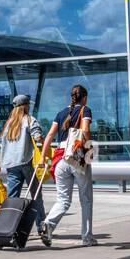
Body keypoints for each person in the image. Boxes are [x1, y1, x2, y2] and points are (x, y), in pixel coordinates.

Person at [39, 84, 97, 246]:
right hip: (77, 156)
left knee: (63, 200)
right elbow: (84, 131)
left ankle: (48, 224)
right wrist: (90, 148)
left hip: (60, 159)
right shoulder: (85, 110)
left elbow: (49, 135)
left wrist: (43, 158)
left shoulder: (60, 113)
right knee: (86, 199)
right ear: (84, 98)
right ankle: (87, 238)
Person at [0, 94, 46, 239]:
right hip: (27, 163)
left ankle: (8, 228)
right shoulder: (29, 120)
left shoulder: (8, 124)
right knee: (36, 196)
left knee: (12, 199)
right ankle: (41, 227)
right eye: (28, 105)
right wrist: (46, 146)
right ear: (25, 106)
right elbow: (38, 138)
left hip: (11, 165)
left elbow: (2, 148)